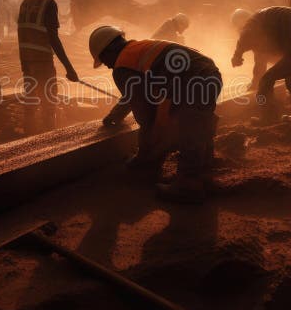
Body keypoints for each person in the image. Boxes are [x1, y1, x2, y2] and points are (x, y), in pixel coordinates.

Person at [91, 25, 222, 203]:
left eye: (103, 60)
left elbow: (144, 114)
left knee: (187, 126)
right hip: (210, 73)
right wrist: (116, 115)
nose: (106, 65)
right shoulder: (138, 49)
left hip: (191, 80)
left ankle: (188, 185)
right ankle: (205, 167)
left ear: (108, 50)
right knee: (198, 120)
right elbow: (134, 94)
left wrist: (145, 154)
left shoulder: (122, 66)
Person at [231, 6, 291, 123]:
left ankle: (267, 117)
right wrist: (255, 81)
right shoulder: (263, 22)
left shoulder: (252, 24)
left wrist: (237, 56)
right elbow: (260, 60)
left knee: (266, 80)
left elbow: (245, 39)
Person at [17, 0, 79, 134]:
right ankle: (48, 142)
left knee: (30, 103)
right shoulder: (49, 3)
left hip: (27, 61)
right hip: (42, 62)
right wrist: (69, 68)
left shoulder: (26, 3)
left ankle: (27, 140)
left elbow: (23, 34)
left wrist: (25, 62)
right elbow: (54, 39)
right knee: (48, 104)